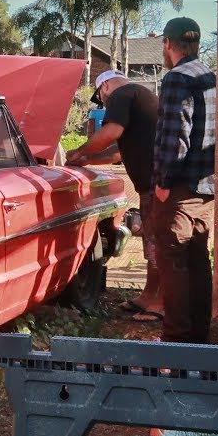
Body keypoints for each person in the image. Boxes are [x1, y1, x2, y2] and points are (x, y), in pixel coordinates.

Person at [66, 69, 162, 322]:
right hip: (155, 183)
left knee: (158, 246)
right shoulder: (141, 96)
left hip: (158, 184)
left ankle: (160, 305)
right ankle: (148, 297)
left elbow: (110, 133)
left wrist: (78, 152)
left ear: (105, 86)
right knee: (151, 244)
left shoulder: (122, 93)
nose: (105, 104)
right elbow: (115, 152)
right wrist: (86, 158)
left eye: (101, 98)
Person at [152, 17, 216, 344]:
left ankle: (175, 345)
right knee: (197, 264)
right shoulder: (210, 77)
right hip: (206, 188)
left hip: (180, 189)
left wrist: (163, 182)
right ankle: (198, 341)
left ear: (167, 43)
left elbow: (175, 135)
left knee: (173, 263)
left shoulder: (176, 78)